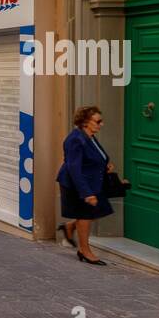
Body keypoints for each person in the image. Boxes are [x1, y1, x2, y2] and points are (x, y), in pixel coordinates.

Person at [57, 105, 115, 266]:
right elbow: (74, 168)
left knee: (99, 210)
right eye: (98, 121)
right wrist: (86, 193)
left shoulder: (90, 136)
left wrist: (106, 165)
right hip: (77, 183)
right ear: (85, 122)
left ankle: (69, 226)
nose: (101, 124)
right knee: (85, 215)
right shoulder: (75, 139)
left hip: (92, 181)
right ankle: (85, 251)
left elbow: (94, 157)